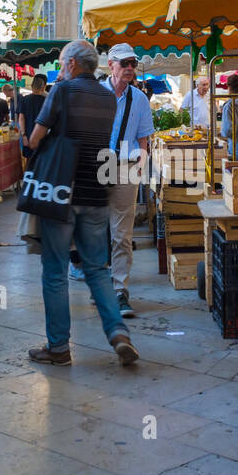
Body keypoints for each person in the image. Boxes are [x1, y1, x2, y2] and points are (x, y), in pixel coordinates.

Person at [25, 40, 139, 366]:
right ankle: (118, 333)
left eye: (62, 62)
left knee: (55, 271)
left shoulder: (61, 92)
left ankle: (59, 347)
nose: (61, 68)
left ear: (72, 64)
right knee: (98, 269)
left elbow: (34, 139)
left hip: (61, 192)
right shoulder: (108, 98)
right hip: (96, 192)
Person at [102, 43, 154, 319]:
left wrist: (141, 165)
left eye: (132, 63)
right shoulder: (96, 94)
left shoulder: (140, 99)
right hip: (97, 165)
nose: (130, 68)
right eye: (124, 63)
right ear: (110, 65)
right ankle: (100, 286)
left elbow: (144, 137)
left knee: (122, 234)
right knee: (95, 229)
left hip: (126, 167)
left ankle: (120, 290)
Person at [17, 74, 48, 160]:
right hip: (42, 137)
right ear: (43, 87)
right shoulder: (46, 101)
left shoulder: (24, 99)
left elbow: (21, 118)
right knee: (41, 162)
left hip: (28, 136)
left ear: (31, 86)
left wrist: (23, 136)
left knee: (29, 162)